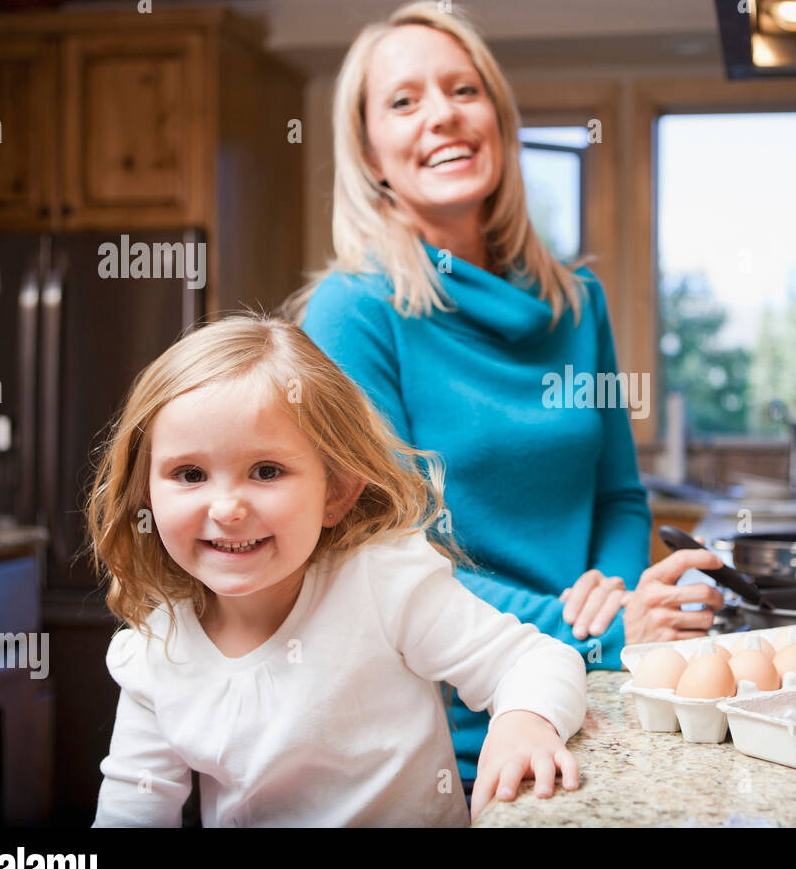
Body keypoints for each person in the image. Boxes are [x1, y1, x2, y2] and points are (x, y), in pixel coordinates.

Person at [285, 0, 724, 793]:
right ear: (371, 154)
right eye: (405, 101)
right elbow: (383, 549)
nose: (443, 117)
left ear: (498, 116)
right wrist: (589, 631)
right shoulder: (354, 311)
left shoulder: (577, 303)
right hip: (445, 718)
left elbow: (619, 496)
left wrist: (616, 597)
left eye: (464, 90)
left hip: (595, 694)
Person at [86, 314, 586, 826]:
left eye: (266, 471)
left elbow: (535, 660)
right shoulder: (154, 650)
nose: (227, 508)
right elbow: (133, 806)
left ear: (338, 492)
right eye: (189, 474)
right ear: (146, 492)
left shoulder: (381, 583)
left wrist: (524, 724)